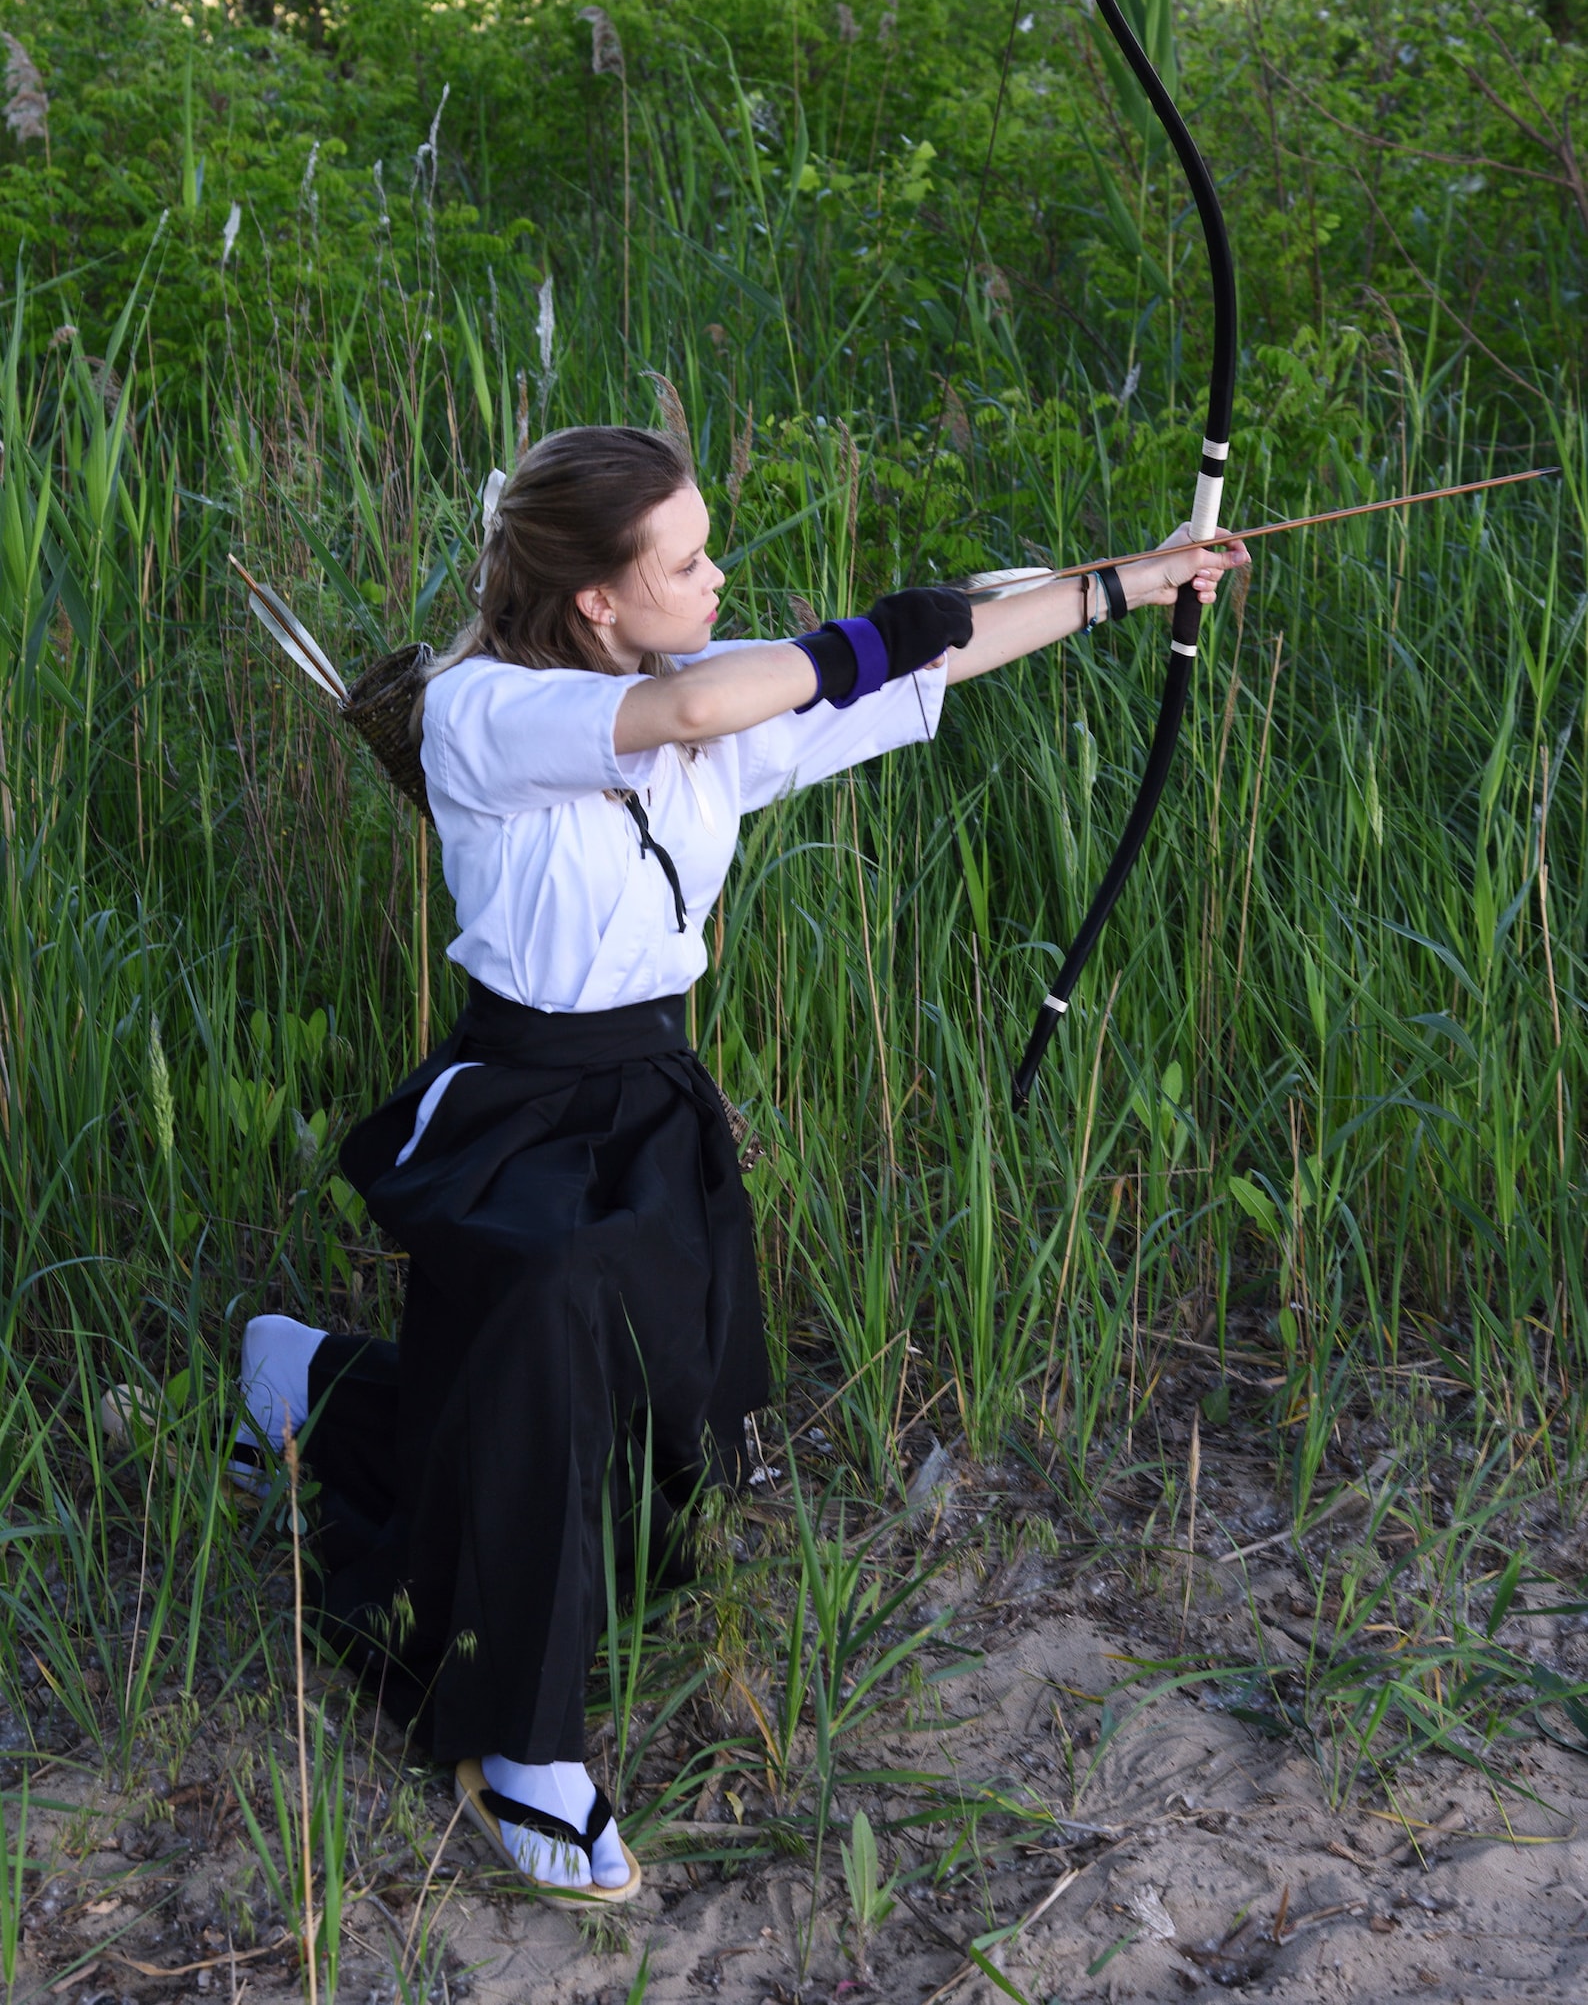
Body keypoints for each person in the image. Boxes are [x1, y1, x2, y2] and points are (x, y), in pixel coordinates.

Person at [236, 424, 1244, 1902]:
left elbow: (924, 658)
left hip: (645, 1095)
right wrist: (860, 635)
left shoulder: (707, 703)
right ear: (596, 599)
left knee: (654, 1421)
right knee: (557, 1325)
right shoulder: (482, 709)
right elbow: (739, 682)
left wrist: (1127, 586)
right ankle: (525, 1741)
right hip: (520, 1099)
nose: (719, 578)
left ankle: (320, 1385)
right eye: (688, 560)